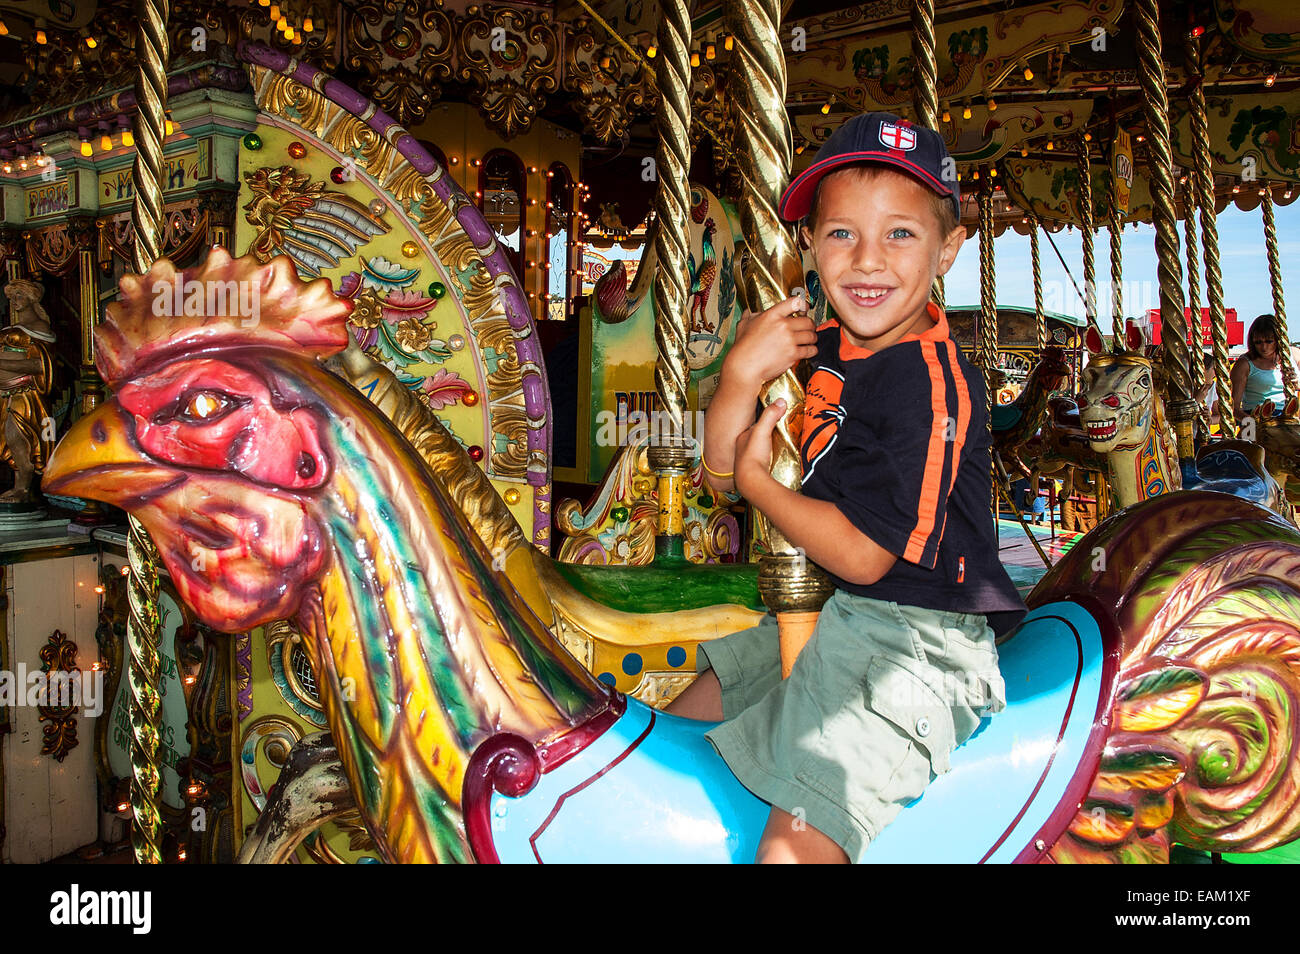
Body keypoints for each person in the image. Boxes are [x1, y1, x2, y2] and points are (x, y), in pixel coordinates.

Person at [668, 112, 1026, 863]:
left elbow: (863, 555)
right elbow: (719, 476)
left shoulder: (933, 386)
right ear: (809, 245)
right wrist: (740, 373)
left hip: (921, 642)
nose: (868, 261)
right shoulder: (821, 348)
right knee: (676, 734)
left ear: (948, 248)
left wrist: (765, 488)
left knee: (792, 847)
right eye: (840, 234)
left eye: (900, 234)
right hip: (842, 614)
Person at [0, 279, 56, 503]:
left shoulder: (39, 329)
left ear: (32, 298)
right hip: (5, 394)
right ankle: (18, 486)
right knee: (10, 443)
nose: (14, 301)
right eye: (11, 297)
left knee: (19, 437)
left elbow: (40, 365)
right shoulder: (9, 329)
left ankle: (24, 489)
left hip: (25, 393)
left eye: (19, 296)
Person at [1230, 315, 1300, 421]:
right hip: (1254, 415)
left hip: (1287, 415)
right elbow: (1233, 408)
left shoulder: (1293, 354)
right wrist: (1253, 424)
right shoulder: (1245, 364)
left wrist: (1296, 383)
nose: (1264, 347)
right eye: (1258, 342)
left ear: (1278, 340)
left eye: (1269, 341)